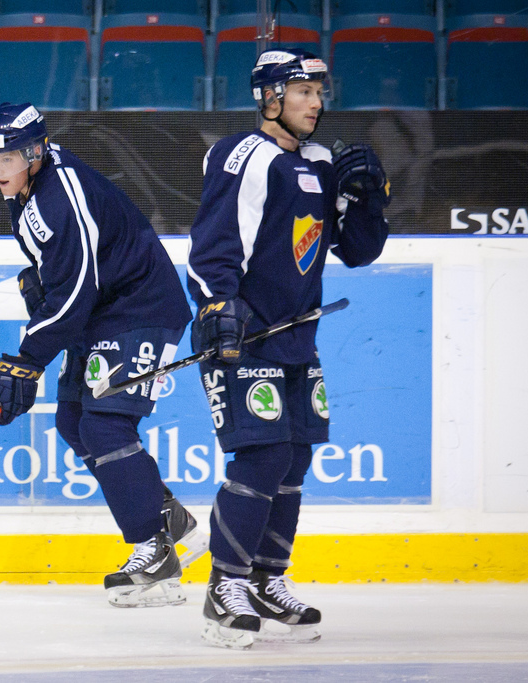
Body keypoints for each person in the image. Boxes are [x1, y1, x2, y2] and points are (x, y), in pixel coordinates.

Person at [185, 49, 390, 648]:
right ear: (269, 97)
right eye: (303, 93)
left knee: (294, 460)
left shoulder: (322, 163)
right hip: (241, 335)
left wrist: (370, 196)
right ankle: (226, 588)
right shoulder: (243, 155)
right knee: (262, 458)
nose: (316, 104)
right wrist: (219, 306)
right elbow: (214, 241)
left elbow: (356, 250)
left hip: (298, 336)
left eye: (320, 94)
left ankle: (266, 579)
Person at [0, 102, 208, 608]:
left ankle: (154, 550)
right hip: (107, 311)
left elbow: (79, 290)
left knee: (106, 426)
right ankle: (168, 518)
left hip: (139, 308)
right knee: (75, 421)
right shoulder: (30, 185)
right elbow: (70, 279)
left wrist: (29, 358)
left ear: (35, 154)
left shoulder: (61, 197)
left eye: (8, 161)